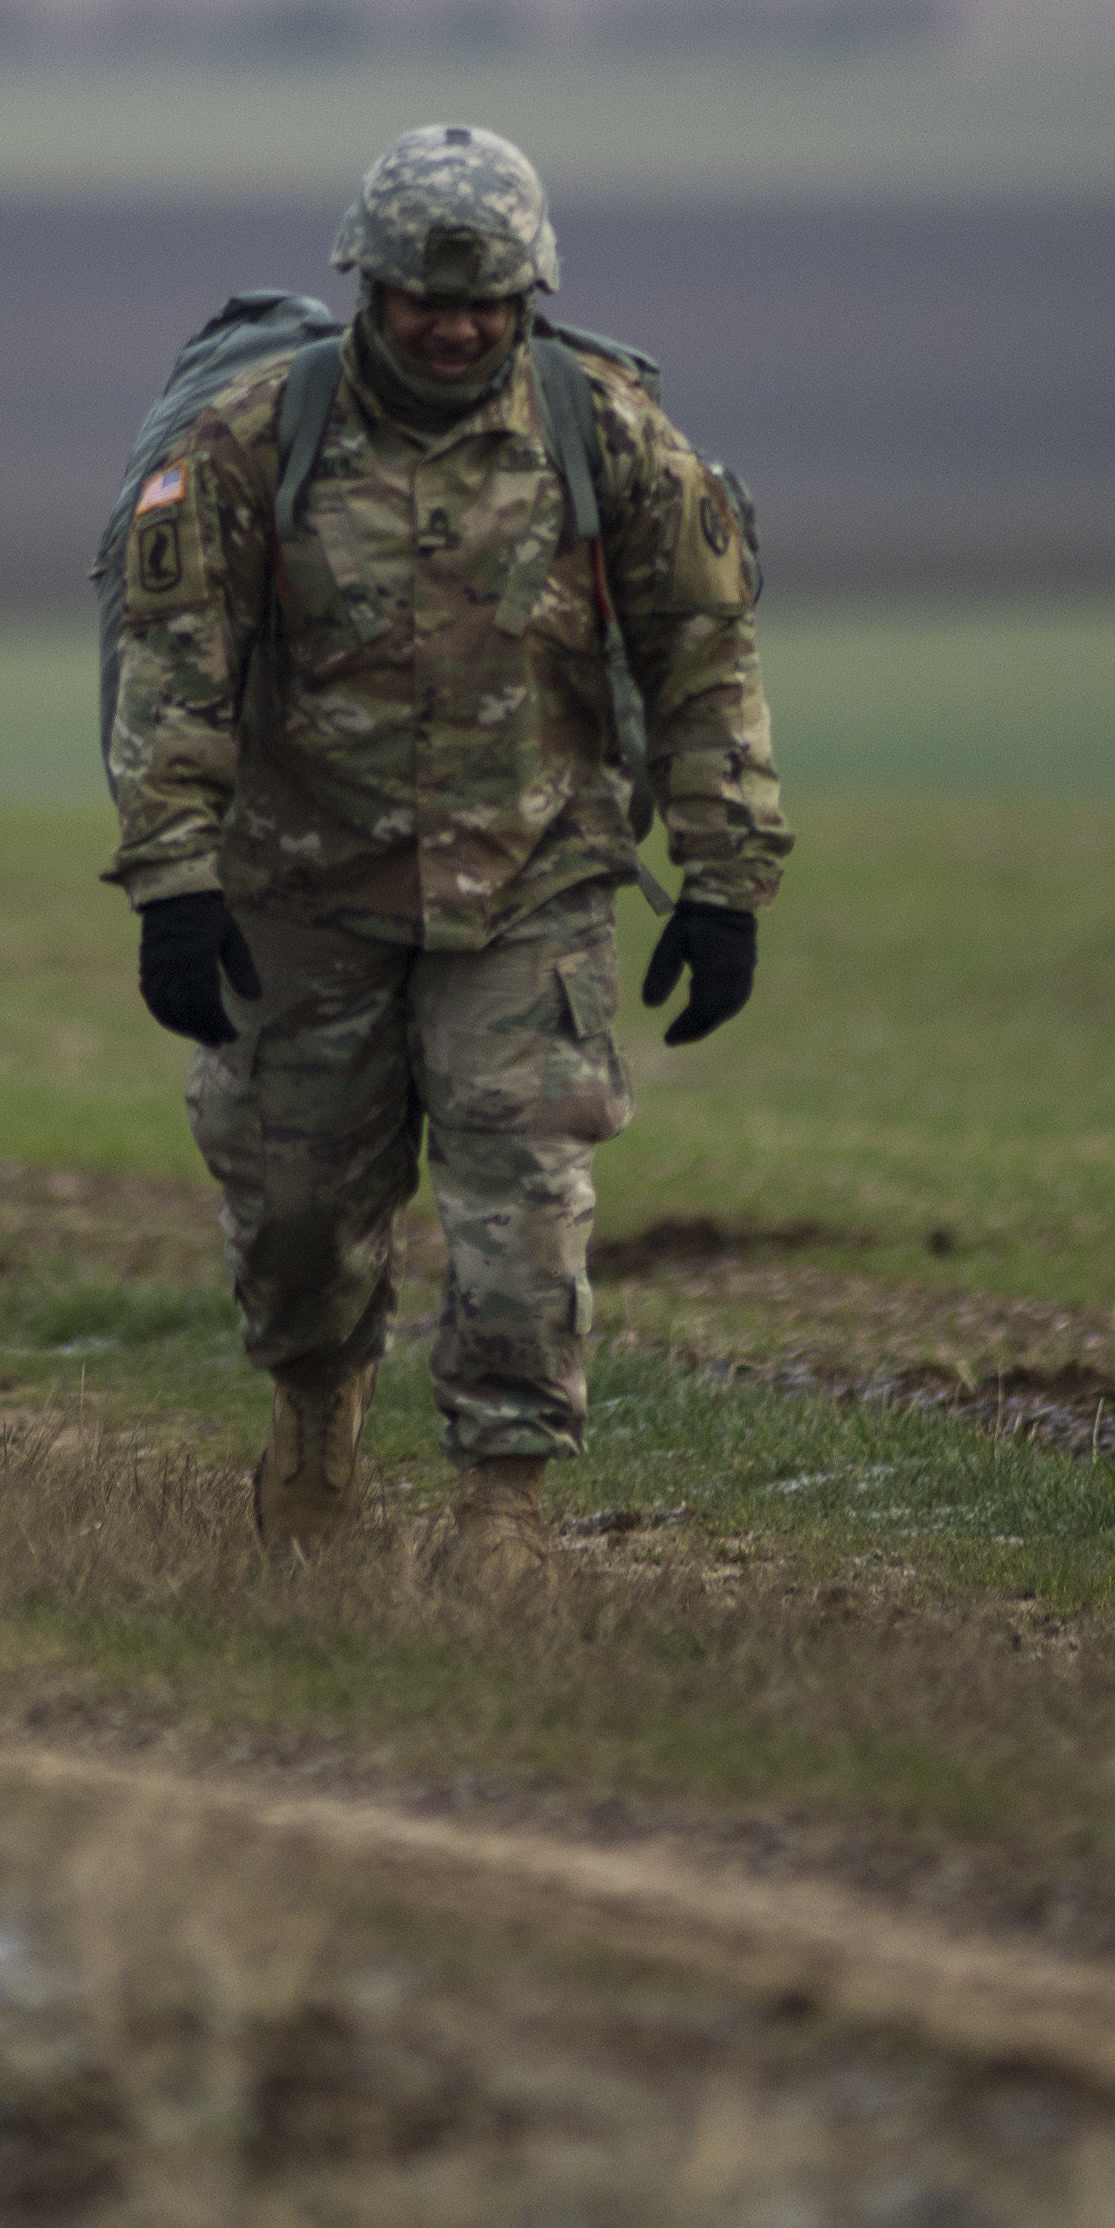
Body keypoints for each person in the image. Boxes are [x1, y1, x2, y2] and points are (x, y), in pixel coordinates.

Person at [105, 125, 788, 1584]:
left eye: (487, 299)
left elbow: (706, 658)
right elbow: (175, 669)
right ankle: (315, 1420)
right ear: (369, 283)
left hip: (532, 880)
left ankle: (502, 1517)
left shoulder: (606, 432)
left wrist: (728, 876)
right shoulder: (249, 438)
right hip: (301, 884)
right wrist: (171, 880)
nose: (457, 322)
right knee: (297, 1213)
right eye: (427, 294)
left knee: (523, 1206)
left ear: (532, 293)